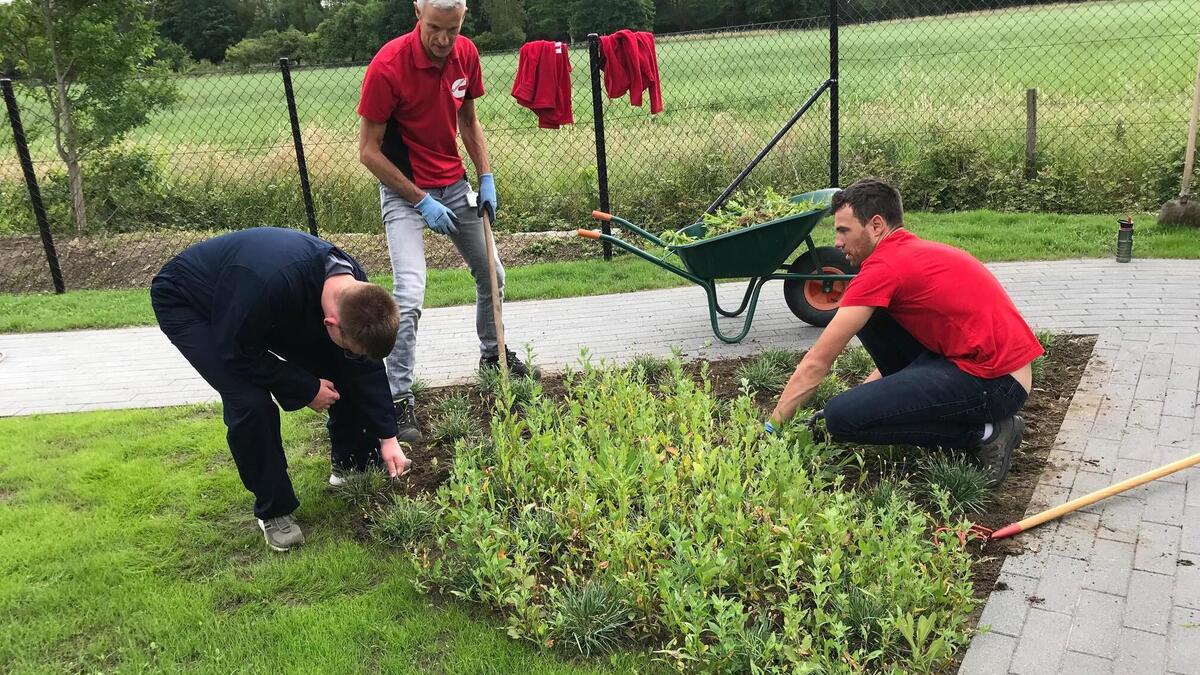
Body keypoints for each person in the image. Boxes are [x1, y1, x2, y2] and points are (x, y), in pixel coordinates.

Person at [767, 178, 1043, 486]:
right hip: (973, 364)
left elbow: (816, 364)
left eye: (843, 230)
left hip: (998, 383)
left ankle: (988, 433)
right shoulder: (905, 254)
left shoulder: (885, 268)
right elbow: (895, 358)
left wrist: (771, 429)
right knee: (869, 318)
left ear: (875, 225)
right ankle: (977, 425)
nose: (837, 242)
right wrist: (868, 397)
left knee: (840, 419)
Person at [151, 227, 412, 552]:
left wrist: (387, 437)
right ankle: (274, 511)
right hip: (191, 300)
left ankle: (351, 462)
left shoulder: (355, 288)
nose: (352, 353)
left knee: (345, 362)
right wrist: (305, 387)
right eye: (349, 345)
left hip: (257, 304)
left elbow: (363, 364)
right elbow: (238, 352)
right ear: (330, 322)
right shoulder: (267, 286)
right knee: (249, 401)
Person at [357, 0, 530, 445]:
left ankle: (493, 358)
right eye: (435, 28)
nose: (443, 40)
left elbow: (468, 120)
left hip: (454, 183)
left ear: (463, 17)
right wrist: (419, 201)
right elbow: (369, 152)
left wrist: (485, 175)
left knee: (492, 272)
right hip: (404, 189)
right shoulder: (388, 66)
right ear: (418, 12)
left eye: (452, 29)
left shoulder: (465, 54)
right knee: (410, 295)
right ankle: (398, 397)